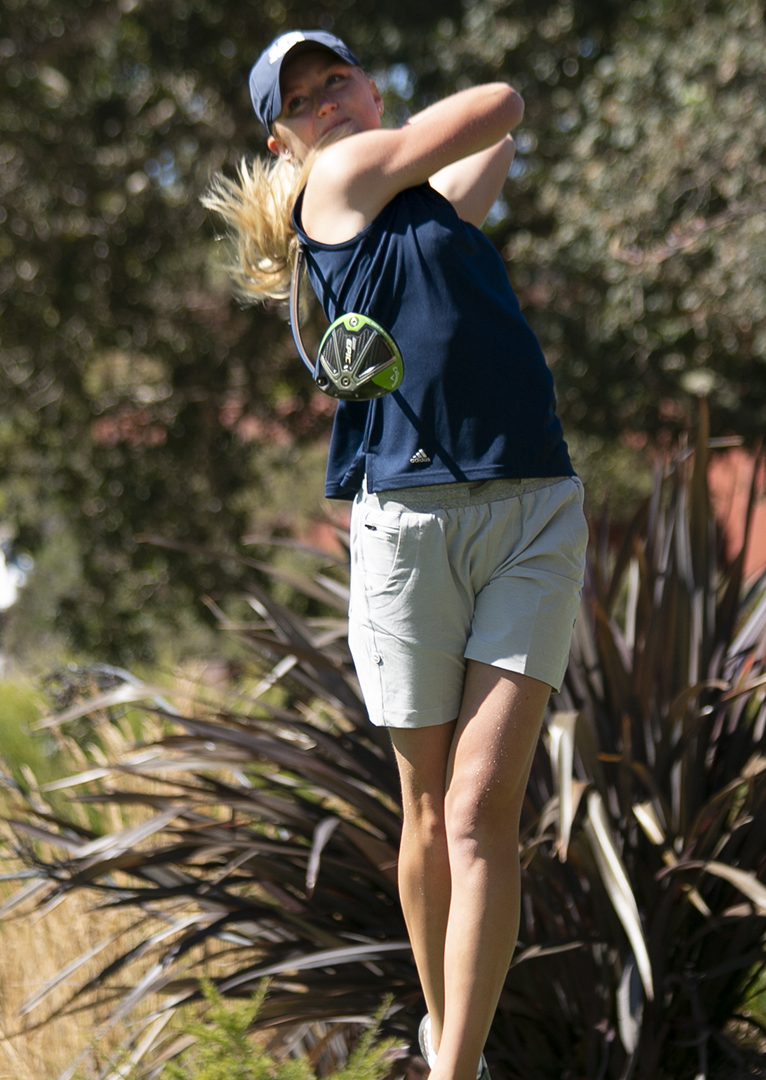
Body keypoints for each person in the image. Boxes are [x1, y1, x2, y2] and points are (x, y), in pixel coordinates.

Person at [203, 30, 587, 1080]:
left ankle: (451, 1066)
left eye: (340, 79)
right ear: (284, 142)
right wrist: (492, 98)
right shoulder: (336, 178)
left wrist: (485, 126)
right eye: (304, 98)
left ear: (368, 84)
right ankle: (445, 1037)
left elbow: (471, 169)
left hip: (533, 507)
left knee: (478, 811)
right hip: (410, 528)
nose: (327, 100)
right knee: (428, 808)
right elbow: (497, 105)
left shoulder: (414, 206)